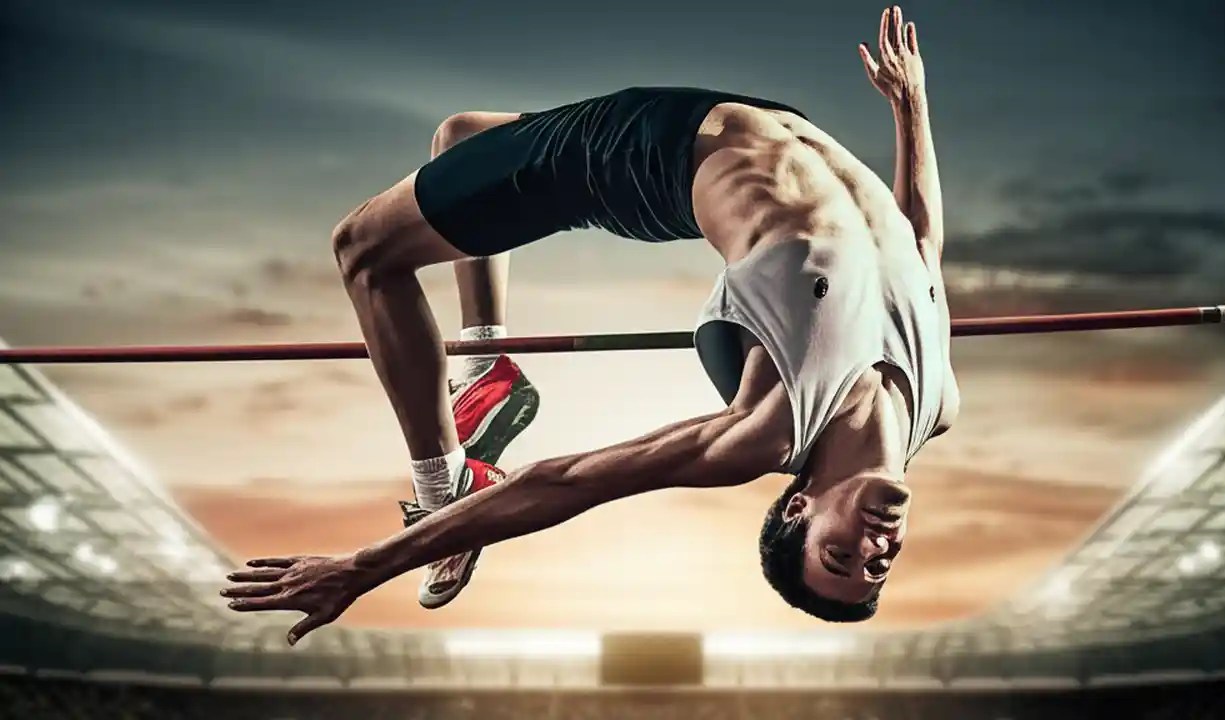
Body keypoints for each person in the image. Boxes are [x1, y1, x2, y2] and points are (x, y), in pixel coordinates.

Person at [222, 6, 959, 645]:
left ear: (799, 507)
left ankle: (443, 478)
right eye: (879, 566)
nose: (874, 549)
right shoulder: (935, 403)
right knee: (463, 141)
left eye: (841, 559)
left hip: (644, 155)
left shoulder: (770, 428)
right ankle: (486, 362)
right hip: (751, 117)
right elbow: (921, 244)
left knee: (364, 251)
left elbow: (563, 482)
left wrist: (365, 566)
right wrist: (913, 106)